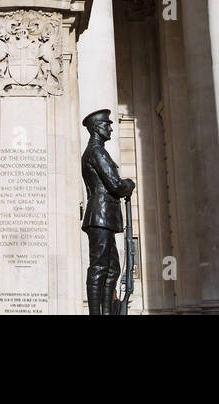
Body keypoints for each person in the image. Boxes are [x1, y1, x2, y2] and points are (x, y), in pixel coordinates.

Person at [81, 108, 134, 315]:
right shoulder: (96, 151)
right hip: (100, 216)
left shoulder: (98, 150)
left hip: (106, 218)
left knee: (113, 268)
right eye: (107, 124)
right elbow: (115, 185)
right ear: (97, 128)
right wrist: (129, 184)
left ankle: (106, 311)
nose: (111, 127)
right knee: (100, 267)